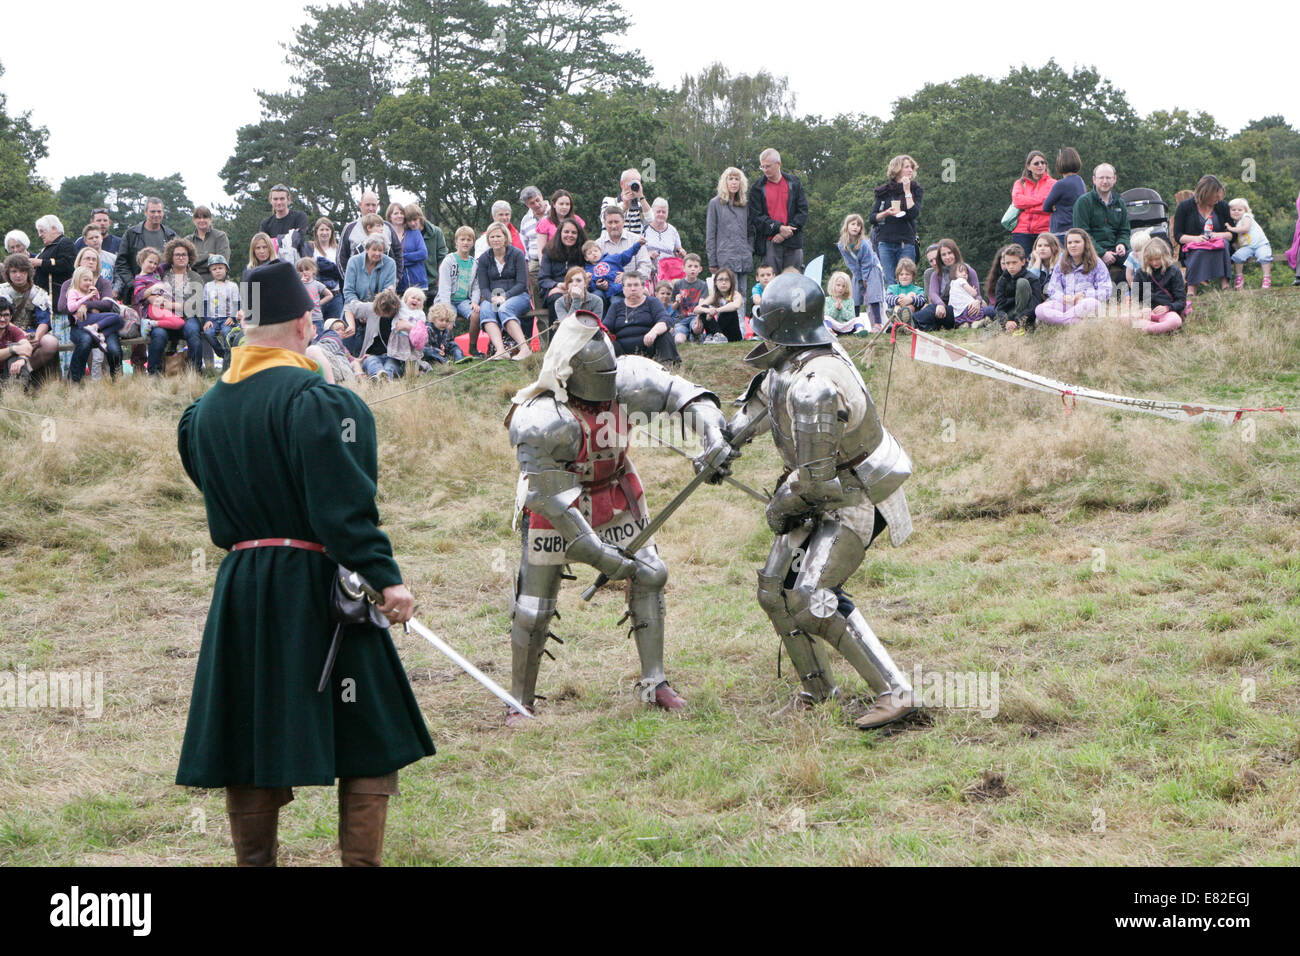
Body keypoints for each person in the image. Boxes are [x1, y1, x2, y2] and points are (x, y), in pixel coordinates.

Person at [175, 259, 434, 866]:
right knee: (369, 727)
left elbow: (213, 484)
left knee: (252, 726)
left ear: (245, 324)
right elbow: (344, 512)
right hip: (321, 586)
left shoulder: (201, 415)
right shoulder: (322, 402)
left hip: (242, 589)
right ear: (301, 322)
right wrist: (384, 578)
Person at [504, 311, 732, 724]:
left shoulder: (628, 380)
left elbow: (689, 396)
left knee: (651, 573)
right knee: (535, 606)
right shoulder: (539, 418)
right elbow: (550, 500)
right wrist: (601, 557)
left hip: (616, 490)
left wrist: (712, 436)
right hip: (556, 506)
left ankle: (655, 682)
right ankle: (521, 699)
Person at [726, 272, 919, 729]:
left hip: (854, 495)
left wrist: (778, 509)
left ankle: (895, 691)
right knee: (774, 592)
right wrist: (719, 447)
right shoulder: (791, 366)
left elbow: (814, 482)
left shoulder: (816, 383)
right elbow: (756, 410)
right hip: (815, 490)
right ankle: (817, 690)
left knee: (814, 596)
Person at [476, 222, 533, 360]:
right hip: (493, 297)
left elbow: (521, 283)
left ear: (505, 238)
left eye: (498, 236)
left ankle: (524, 349)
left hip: (518, 296)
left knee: (504, 309)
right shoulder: (484, 258)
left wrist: (505, 296)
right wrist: (492, 298)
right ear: (488, 239)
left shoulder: (517, 254)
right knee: (486, 309)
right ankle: (501, 351)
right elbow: (483, 287)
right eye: (492, 237)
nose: (495, 239)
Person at [1, 254, 61, 384]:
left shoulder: (38, 293)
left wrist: (37, 337)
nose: (18, 275)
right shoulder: (2, 292)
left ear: (29, 272)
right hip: (5, 334)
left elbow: (44, 321)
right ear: (8, 273)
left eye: (22, 271)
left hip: (31, 333)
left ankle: (26, 370)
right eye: (14, 271)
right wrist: (20, 335)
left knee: (50, 343)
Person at [1035, 228, 1112, 326]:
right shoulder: (1061, 263)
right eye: (1069, 243)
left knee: (1093, 303)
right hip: (1065, 304)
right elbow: (1052, 289)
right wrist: (1062, 297)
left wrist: (1084, 295)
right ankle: (1070, 322)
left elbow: (1106, 291)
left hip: (1085, 304)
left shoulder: (1097, 263)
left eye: (1077, 242)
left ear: (1085, 244)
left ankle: (1061, 321)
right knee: (1040, 310)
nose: (1073, 245)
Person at [749, 148, 809, 272]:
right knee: (771, 284)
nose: (765, 170)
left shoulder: (794, 183)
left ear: (778, 164)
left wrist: (786, 232)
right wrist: (778, 228)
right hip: (769, 243)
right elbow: (756, 217)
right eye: (762, 167)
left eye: (768, 166)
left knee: (793, 283)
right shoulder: (757, 188)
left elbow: (803, 211)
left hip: (793, 241)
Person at [60, 265, 124, 381]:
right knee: (116, 318)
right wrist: (87, 298)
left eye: (90, 280)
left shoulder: (95, 287)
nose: (89, 283)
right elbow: (71, 307)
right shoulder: (73, 291)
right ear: (77, 279)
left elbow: (100, 305)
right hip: (83, 321)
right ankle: (74, 380)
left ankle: (100, 333)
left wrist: (96, 295)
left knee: (119, 321)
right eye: (85, 280)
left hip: (93, 318)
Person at [1173, 175, 1233, 296]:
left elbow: (1232, 234)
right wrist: (1196, 239)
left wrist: (1218, 235)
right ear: (1206, 193)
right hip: (1194, 244)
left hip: (1217, 242)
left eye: (1220, 195)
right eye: (1216, 196)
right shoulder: (1185, 207)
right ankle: (1191, 290)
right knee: (1198, 250)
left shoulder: (1222, 207)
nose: (1219, 198)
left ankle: (1225, 285)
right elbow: (1178, 236)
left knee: (1223, 245)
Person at [706, 167, 754, 317]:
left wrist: (749, 249)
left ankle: (741, 330)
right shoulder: (715, 203)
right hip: (724, 257)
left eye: (737, 179)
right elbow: (710, 234)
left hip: (743, 257)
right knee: (727, 296)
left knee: (743, 294)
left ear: (742, 182)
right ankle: (728, 330)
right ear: (724, 182)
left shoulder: (745, 205)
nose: (734, 182)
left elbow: (751, 231)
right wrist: (712, 261)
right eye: (730, 179)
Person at [869, 155, 923, 287]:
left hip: (906, 241)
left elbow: (913, 213)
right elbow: (872, 217)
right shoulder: (884, 192)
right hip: (885, 241)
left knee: (907, 279)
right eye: (907, 167)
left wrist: (907, 191)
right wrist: (886, 213)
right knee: (890, 281)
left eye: (911, 167)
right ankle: (893, 308)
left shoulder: (915, 189)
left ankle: (908, 307)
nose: (910, 170)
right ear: (897, 169)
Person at [1072, 164, 1130, 285]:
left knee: (1139, 260)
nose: (1105, 181)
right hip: (1091, 251)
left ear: (1114, 179)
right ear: (1094, 179)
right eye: (1101, 178)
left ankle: (1141, 299)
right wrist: (1102, 253)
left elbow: (1124, 230)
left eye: (1108, 178)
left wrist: (1122, 243)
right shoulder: (1083, 202)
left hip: (1116, 250)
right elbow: (1082, 233)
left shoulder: (1120, 202)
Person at [606, 272, 680, 365]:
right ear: (623, 288)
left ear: (643, 287)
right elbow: (605, 327)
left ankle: (666, 367)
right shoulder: (615, 306)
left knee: (664, 334)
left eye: (636, 285)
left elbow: (665, 320)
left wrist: (654, 332)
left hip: (650, 348)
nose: (633, 289)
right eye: (629, 285)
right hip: (622, 353)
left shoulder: (653, 302)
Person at [113, 198, 178, 301]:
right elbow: (121, 263)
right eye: (152, 211)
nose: (156, 214)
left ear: (163, 213)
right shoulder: (131, 234)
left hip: (165, 292)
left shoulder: (171, 236)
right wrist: (133, 283)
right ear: (145, 212)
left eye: (159, 211)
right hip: (137, 293)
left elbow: (177, 261)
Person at [915, 239, 983, 331]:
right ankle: (909, 323)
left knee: (987, 309)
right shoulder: (936, 274)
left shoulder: (969, 271)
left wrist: (977, 302)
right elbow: (933, 293)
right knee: (931, 309)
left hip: (966, 308)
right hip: (947, 309)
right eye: (943, 255)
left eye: (949, 253)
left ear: (955, 253)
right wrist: (940, 304)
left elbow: (978, 294)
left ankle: (912, 323)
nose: (947, 257)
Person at [435, 226, 482, 355]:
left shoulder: (474, 263)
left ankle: (472, 347)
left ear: (473, 242)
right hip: (448, 300)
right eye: (462, 239)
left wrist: (474, 301)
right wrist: (446, 308)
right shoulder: (449, 261)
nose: (465, 242)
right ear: (456, 242)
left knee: (476, 315)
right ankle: (445, 348)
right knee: (448, 320)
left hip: (464, 300)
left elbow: (477, 287)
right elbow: (444, 287)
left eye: (469, 240)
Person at [338, 191, 404, 281]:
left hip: (383, 283)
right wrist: (349, 281)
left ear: (377, 205)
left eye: (373, 205)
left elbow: (398, 253)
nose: (371, 208)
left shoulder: (387, 227)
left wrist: (396, 278)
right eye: (367, 205)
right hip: (358, 283)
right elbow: (341, 258)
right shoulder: (350, 228)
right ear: (360, 205)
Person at [836, 213, 885, 330]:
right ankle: (854, 323)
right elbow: (849, 262)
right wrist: (858, 276)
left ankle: (877, 323)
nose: (855, 227)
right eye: (852, 224)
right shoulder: (842, 245)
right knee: (855, 295)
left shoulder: (864, 244)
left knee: (873, 294)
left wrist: (865, 278)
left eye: (858, 225)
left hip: (871, 268)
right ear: (847, 226)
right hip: (857, 270)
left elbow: (867, 261)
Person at [1128, 238, 1186, 334]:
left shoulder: (1174, 272)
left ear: (1165, 256)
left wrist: (1167, 308)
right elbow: (1135, 299)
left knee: (1175, 321)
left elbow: (1181, 301)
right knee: (1123, 318)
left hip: (1167, 313)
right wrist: (1143, 307)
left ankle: (1147, 329)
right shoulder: (1141, 272)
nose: (1154, 263)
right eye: (1151, 260)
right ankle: (1157, 328)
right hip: (1146, 313)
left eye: (1157, 259)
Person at [538, 218, 588, 327]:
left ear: (578, 235)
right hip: (555, 289)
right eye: (566, 232)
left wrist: (572, 287)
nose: (569, 235)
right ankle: (555, 338)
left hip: (579, 288)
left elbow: (587, 273)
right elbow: (543, 279)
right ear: (560, 233)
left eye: (574, 232)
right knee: (557, 298)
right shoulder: (549, 251)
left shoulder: (583, 252)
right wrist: (557, 285)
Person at [989, 244, 1045, 334]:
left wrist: (1018, 320)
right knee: (987, 337)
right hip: (1008, 317)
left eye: (1014, 262)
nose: (1011, 266)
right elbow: (998, 306)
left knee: (1022, 283)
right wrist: (1005, 321)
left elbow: (1034, 304)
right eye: (1007, 263)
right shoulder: (1002, 280)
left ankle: (1022, 327)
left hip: (1026, 315)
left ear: (1023, 262)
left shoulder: (1032, 279)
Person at [1009, 151, 1056, 256]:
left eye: (1043, 162)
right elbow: (1017, 201)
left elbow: (1050, 206)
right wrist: (1042, 200)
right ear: (1028, 166)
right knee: (1022, 265)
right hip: (1022, 231)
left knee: (1046, 266)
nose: (1040, 165)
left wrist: (1027, 207)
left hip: (1045, 231)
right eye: (1036, 163)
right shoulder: (1020, 183)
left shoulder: (1053, 184)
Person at [595, 205, 651, 282]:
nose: (613, 226)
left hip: (633, 286)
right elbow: (594, 270)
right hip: (607, 289)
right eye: (610, 222)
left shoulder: (636, 240)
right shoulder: (598, 245)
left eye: (616, 222)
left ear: (624, 221)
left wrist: (628, 276)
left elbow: (646, 267)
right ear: (604, 223)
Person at [1227, 197, 1273, 290]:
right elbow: (1237, 240)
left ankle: (1266, 278)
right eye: (1233, 209)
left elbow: (1245, 228)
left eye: (1240, 210)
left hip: (1261, 244)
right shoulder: (1235, 223)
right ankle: (1239, 277)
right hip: (1247, 247)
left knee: (1264, 257)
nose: (1236, 211)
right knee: (1237, 257)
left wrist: (1231, 229)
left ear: (1245, 210)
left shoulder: (1246, 217)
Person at [305, 217, 345, 322]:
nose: (324, 233)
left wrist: (321, 265)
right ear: (316, 232)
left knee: (334, 328)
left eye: (327, 230)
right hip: (316, 296)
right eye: (321, 230)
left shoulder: (338, 249)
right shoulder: (310, 248)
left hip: (336, 295)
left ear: (332, 232)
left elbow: (341, 271)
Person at [30, 216, 77, 303]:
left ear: (54, 228)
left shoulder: (65, 243)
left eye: (41, 231)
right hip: (44, 298)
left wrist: (40, 262)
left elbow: (67, 265)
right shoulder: (47, 248)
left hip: (57, 298)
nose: (39, 235)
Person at [1041, 147, 1086, 240]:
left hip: (1061, 230)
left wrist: (1054, 206)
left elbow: (1045, 206)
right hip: (1075, 228)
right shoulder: (1080, 181)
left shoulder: (1061, 184)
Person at [583, 238, 645, 304]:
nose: (593, 254)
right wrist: (597, 285)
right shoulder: (588, 271)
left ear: (600, 251)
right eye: (589, 253)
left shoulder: (611, 258)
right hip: (609, 294)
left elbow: (626, 255)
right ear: (586, 258)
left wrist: (637, 245)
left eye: (595, 251)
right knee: (615, 302)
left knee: (635, 291)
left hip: (622, 286)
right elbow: (591, 287)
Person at [518, 186, 550, 309]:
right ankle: (543, 326)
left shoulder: (556, 212)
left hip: (555, 260)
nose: (537, 204)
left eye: (538, 200)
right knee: (538, 299)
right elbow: (524, 246)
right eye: (532, 203)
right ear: (527, 205)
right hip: (535, 262)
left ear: (542, 196)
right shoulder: (525, 220)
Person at [204, 255, 240, 361]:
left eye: (220, 268)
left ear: (226, 269)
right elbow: (205, 304)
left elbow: (237, 303)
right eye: (214, 269)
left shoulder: (232, 286)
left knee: (226, 333)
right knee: (208, 333)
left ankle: (230, 359)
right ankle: (222, 354)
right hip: (213, 319)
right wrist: (207, 320)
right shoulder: (208, 286)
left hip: (227, 318)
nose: (218, 271)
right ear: (210, 271)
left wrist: (232, 317)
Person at [407, 204, 447, 300]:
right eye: (409, 221)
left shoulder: (436, 232)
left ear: (420, 218)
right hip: (413, 284)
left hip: (433, 282)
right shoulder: (406, 234)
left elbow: (442, 258)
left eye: (415, 219)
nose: (412, 223)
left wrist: (439, 281)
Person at [387, 202, 427, 295]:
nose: (399, 216)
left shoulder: (414, 233)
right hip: (398, 285)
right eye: (396, 213)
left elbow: (422, 254)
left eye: (401, 213)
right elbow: (388, 260)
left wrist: (401, 258)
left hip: (418, 283)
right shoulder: (386, 235)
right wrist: (412, 259)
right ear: (389, 216)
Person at [695, 267, 744, 342]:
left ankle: (718, 336)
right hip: (718, 330)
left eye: (727, 280)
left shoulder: (735, 294)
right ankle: (717, 335)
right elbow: (697, 309)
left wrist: (716, 310)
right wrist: (708, 311)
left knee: (728, 309)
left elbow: (736, 305)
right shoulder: (714, 296)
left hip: (733, 333)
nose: (724, 283)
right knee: (703, 309)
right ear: (715, 282)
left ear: (731, 282)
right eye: (721, 280)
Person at [644, 197, 686, 284]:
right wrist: (648, 255)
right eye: (658, 211)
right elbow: (637, 251)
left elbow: (678, 249)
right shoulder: (644, 229)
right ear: (652, 212)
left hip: (669, 274)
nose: (661, 214)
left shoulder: (672, 230)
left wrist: (681, 252)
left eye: (664, 212)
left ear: (667, 213)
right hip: (649, 271)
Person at [601, 168, 652, 236]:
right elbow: (604, 219)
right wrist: (624, 206)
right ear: (622, 184)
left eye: (637, 183)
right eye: (631, 183)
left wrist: (641, 197)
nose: (633, 186)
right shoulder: (609, 201)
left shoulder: (640, 206)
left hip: (634, 244)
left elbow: (650, 220)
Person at [187, 206, 231, 283]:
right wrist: (208, 256)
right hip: (195, 284)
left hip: (218, 283)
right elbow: (186, 263)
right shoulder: (187, 240)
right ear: (194, 220)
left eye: (205, 217)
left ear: (210, 219)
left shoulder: (220, 236)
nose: (202, 220)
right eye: (198, 218)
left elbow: (223, 262)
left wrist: (196, 264)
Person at [671, 254, 708, 345]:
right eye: (690, 266)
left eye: (696, 266)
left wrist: (698, 319)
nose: (693, 269)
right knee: (679, 341)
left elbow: (702, 304)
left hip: (695, 317)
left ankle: (696, 335)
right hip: (681, 319)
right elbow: (672, 307)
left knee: (697, 327)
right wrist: (677, 301)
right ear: (683, 268)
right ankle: (687, 335)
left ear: (700, 269)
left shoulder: (703, 285)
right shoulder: (678, 284)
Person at [885, 258, 926, 328]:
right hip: (897, 308)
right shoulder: (892, 288)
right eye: (901, 274)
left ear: (913, 276)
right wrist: (899, 299)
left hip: (913, 314)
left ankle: (905, 322)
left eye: (907, 274)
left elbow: (922, 300)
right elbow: (888, 298)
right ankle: (896, 319)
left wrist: (910, 299)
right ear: (898, 276)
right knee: (897, 306)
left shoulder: (918, 289)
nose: (904, 277)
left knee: (910, 306)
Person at [297, 257, 333, 336]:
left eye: (307, 269)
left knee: (317, 338)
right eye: (301, 270)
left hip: (316, 318)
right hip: (303, 318)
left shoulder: (316, 284)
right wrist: (299, 283)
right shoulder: (298, 284)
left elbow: (329, 295)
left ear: (313, 270)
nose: (304, 272)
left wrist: (318, 303)